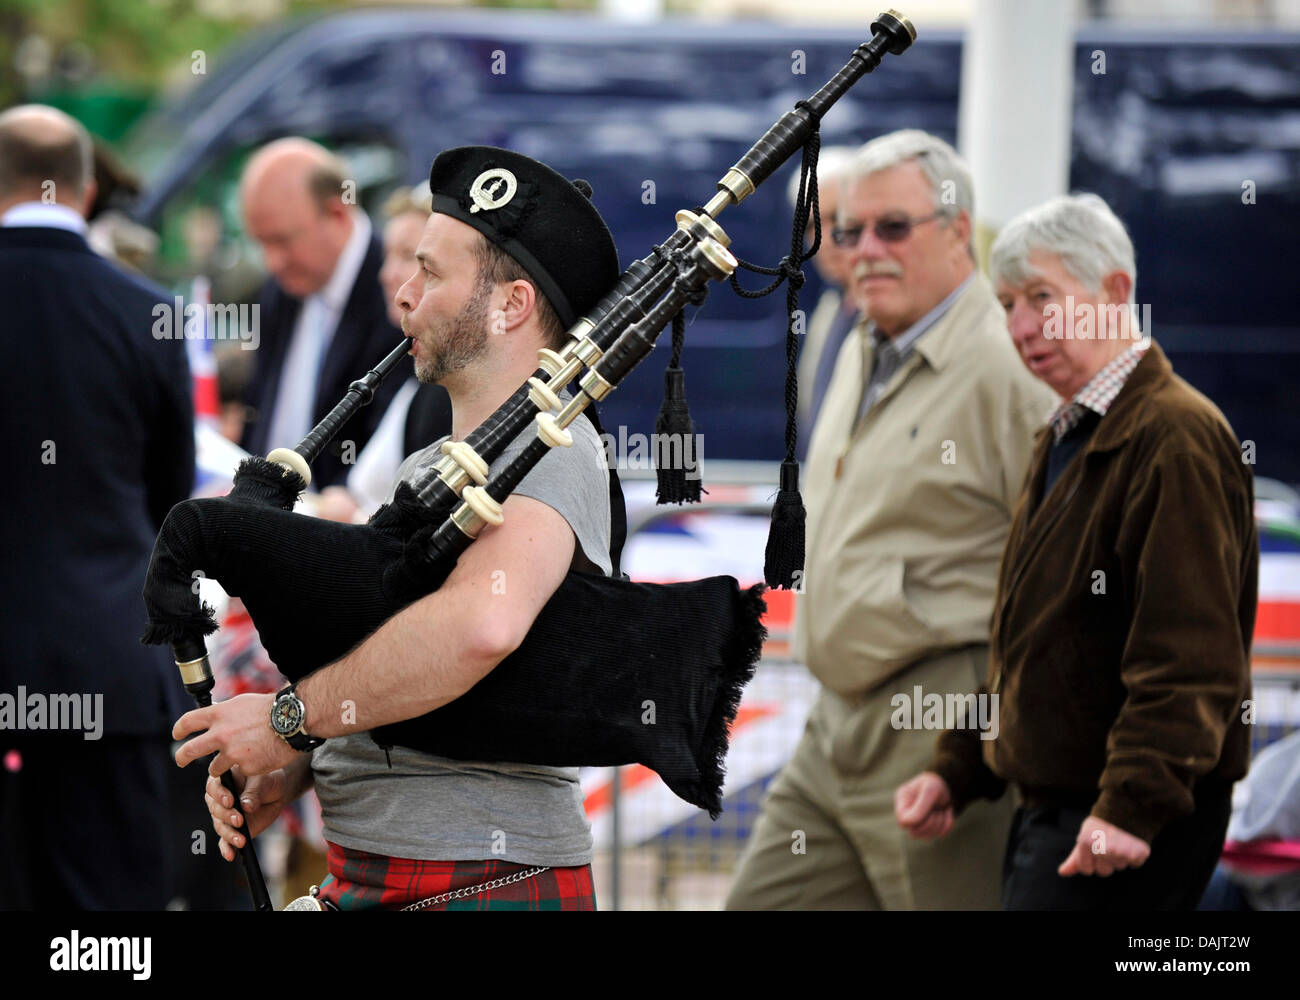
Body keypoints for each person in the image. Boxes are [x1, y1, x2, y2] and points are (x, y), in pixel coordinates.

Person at [176, 146, 621, 910]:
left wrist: (288, 722)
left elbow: (479, 626)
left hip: (480, 879)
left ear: (511, 305)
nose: (404, 295)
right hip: (389, 871)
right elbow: (410, 669)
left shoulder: (552, 446)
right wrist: (300, 765)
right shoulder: (435, 462)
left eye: (431, 273)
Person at [896, 193, 1257, 910]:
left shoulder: (1173, 436)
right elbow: (1034, 639)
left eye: (1041, 297)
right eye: (1006, 303)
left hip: (1115, 826)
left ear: (1115, 292)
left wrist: (1130, 806)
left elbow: (1188, 655)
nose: (1021, 326)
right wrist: (959, 769)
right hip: (1070, 814)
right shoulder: (1070, 432)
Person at [726, 130, 1056, 910]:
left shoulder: (1011, 364)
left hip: (937, 729)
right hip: (832, 725)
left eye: (892, 227)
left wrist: (975, 745)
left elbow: (1062, 572)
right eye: (847, 231)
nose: (863, 248)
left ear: (956, 227)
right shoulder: (859, 342)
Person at [0, 104, 195, 908]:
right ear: (84, 192)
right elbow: (168, 502)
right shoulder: (147, 313)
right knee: (108, 934)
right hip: (106, 675)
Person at [237, 138, 405, 489]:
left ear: (337, 213)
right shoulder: (284, 286)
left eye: (282, 241)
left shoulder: (395, 293)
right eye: (261, 243)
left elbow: (389, 455)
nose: (272, 262)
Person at [317, 183, 453, 522]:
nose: (386, 274)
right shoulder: (404, 366)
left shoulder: (449, 386)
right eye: (387, 255)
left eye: (410, 257)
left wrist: (352, 515)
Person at [791, 145, 860, 448]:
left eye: (837, 218)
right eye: (811, 225)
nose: (826, 237)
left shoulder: (895, 314)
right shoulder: (830, 309)